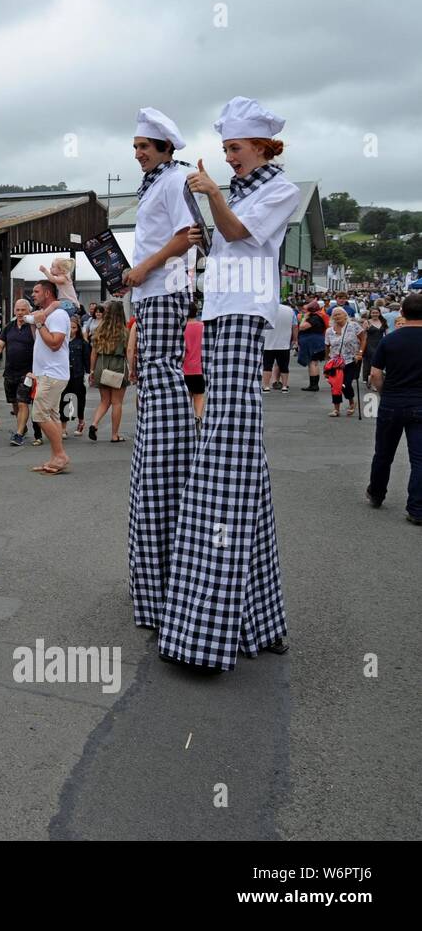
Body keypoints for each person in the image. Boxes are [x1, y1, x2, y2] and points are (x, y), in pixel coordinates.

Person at [164, 96, 302, 671]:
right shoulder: (237, 189)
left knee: (229, 445)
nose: (228, 157)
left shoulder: (279, 190)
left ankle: (213, 625)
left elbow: (242, 232)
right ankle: (259, 618)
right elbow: (224, 238)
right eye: (224, 150)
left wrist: (212, 196)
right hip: (220, 313)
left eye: (236, 149)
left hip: (247, 314)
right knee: (239, 459)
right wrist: (199, 228)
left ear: (264, 148)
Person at [121, 108, 198, 631]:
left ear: (166, 147)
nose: (139, 153)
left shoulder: (172, 181)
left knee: (162, 366)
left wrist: (143, 268)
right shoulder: (155, 184)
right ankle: (159, 418)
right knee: (152, 367)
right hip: (149, 290)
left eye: (145, 146)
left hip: (166, 289)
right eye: (135, 147)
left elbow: (188, 234)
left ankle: (169, 423)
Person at [366, 292, 422, 523]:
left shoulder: (390, 340)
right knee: (419, 458)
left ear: (401, 312)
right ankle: (417, 508)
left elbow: (375, 374)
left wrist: (383, 392)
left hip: (393, 401)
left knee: (384, 452)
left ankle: (377, 493)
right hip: (420, 403)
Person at [26, 281, 71, 474]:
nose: (33, 294)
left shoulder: (59, 315)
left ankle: (60, 455)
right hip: (46, 373)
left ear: (47, 293)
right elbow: (41, 339)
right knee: (51, 415)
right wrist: (37, 322)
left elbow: (55, 343)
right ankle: (56, 457)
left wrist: (39, 322)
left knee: (39, 414)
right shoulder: (48, 314)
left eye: (36, 291)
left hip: (53, 373)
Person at [0, 299, 41, 447]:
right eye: (18, 310)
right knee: (15, 404)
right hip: (10, 372)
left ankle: (19, 434)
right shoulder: (9, 327)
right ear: (14, 311)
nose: (20, 313)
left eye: (23, 310)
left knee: (23, 403)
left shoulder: (34, 328)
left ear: (29, 311)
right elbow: (0, 345)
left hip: (27, 373)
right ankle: (22, 425)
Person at [88, 299, 130, 441]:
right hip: (118, 366)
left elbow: (93, 353)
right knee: (117, 402)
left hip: (101, 365)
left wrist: (92, 371)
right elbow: (128, 351)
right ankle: (114, 435)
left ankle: (94, 424)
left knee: (104, 401)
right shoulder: (124, 332)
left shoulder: (99, 330)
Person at [324, 306, 366, 416]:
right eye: (335, 315)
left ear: (345, 315)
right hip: (335, 362)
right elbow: (327, 346)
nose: (337, 316)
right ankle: (336, 409)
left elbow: (363, 339)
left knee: (345, 384)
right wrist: (327, 360)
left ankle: (352, 402)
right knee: (335, 385)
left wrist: (360, 353)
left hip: (351, 360)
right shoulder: (329, 331)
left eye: (339, 314)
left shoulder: (354, 326)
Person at [60, 313, 89, 436]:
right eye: (69, 327)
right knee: (64, 399)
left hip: (78, 374)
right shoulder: (62, 341)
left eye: (74, 328)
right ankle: (63, 427)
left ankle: (81, 421)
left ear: (78, 329)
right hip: (65, 374)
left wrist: (88, 374)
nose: (71, 330)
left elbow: (86, 360)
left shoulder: (82, 343)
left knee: (79, 399)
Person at [262, 298, 298, 393]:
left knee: (267, 366)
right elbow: (294, 326)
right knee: (284, 366)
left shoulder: (266, 310)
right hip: (284, 343)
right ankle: (285, 386)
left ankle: (266, 386)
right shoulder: (290, 311)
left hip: (268, 343)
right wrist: (295, 339)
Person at [297, 296, 328, 391]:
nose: (303, 311)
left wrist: (304, 318)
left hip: (313, 342)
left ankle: (314, 385)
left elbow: (302, 327)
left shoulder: (314, 318)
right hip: (316, 341)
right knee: (313, 363)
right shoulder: (319, 316)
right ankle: (313, 384)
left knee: (313, 363)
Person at [183, 301, 206, 419]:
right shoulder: (202, 327)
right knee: (200, 395)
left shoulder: (182, 328)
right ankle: (198, 417)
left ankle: (187, 421)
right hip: (198, 368)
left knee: (186, 398)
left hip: (184, 369)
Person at [362, 306, 388, 386]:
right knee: (371, 361)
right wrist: (362, 347)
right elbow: (364, 335)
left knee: (380, 361)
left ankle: (376, 377)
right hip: (369, 344)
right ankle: (371, 378)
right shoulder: (367, 322)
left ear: (379, 313)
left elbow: (386, 334)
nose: (375, 314)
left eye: (376, 312)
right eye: (373, 313)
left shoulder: (383, 321)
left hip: (380, 343)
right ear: (370, 313)